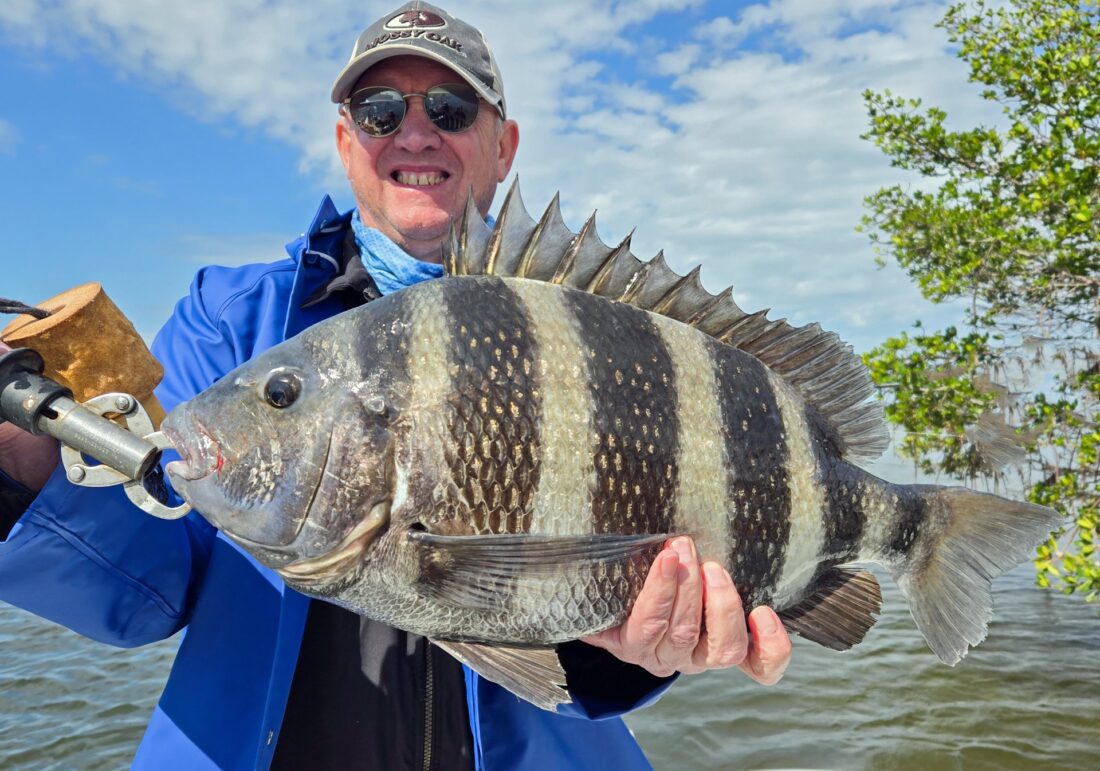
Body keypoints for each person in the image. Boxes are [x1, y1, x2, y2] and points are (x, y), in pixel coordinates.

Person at [0, 3, 792, 769]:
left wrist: (629, 655)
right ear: (346, 142)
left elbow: (594, 614)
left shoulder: (594, 323)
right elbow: (144, 584)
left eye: (450, 107)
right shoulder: (230, 320)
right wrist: (22, 463)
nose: (416, 131)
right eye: (379, 110)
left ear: (503, 144)